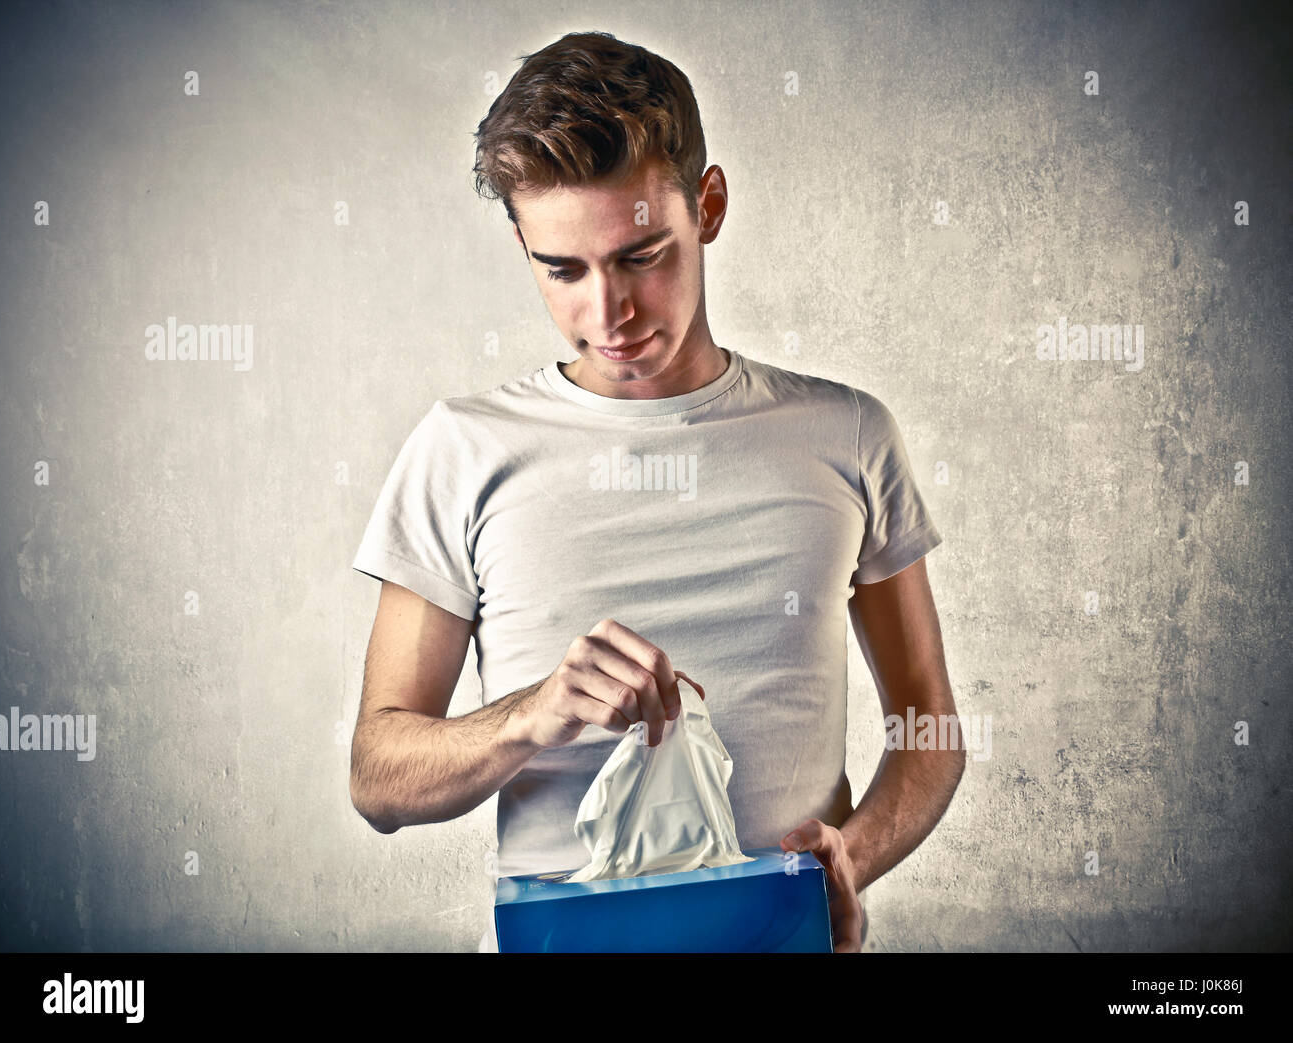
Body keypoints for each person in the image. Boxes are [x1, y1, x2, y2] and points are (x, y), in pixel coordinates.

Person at [349, 30, 965, 954]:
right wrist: (531, 714)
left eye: (641, 254)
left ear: (707, 205)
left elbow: (929, 725)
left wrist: (855, 853)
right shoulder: (462, 449)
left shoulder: (848, 434)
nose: (609, 314)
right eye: (562, 270)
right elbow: (377, 776)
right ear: (523, 244)